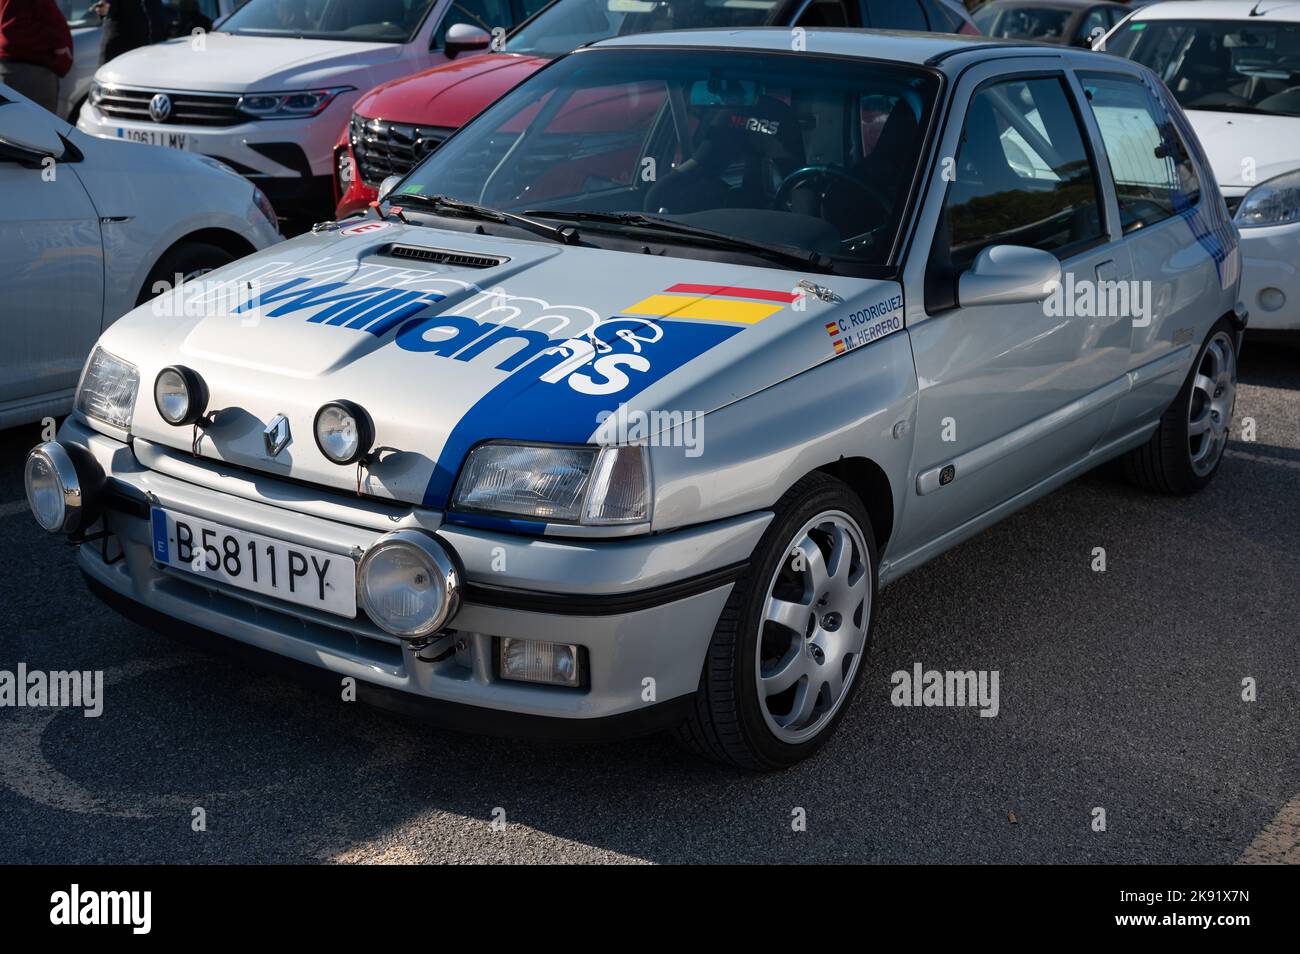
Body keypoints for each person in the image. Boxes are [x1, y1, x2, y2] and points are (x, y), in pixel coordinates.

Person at [0, 0, 74, 113]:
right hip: (26, 74)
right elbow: (11, 27)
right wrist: (57, 42)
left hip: (29, 72)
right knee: (32, 127)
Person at [93, 0, 160, 64]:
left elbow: (158, 14)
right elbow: (107, 6)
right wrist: (104, 8)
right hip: (121, 49)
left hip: (151, 49)